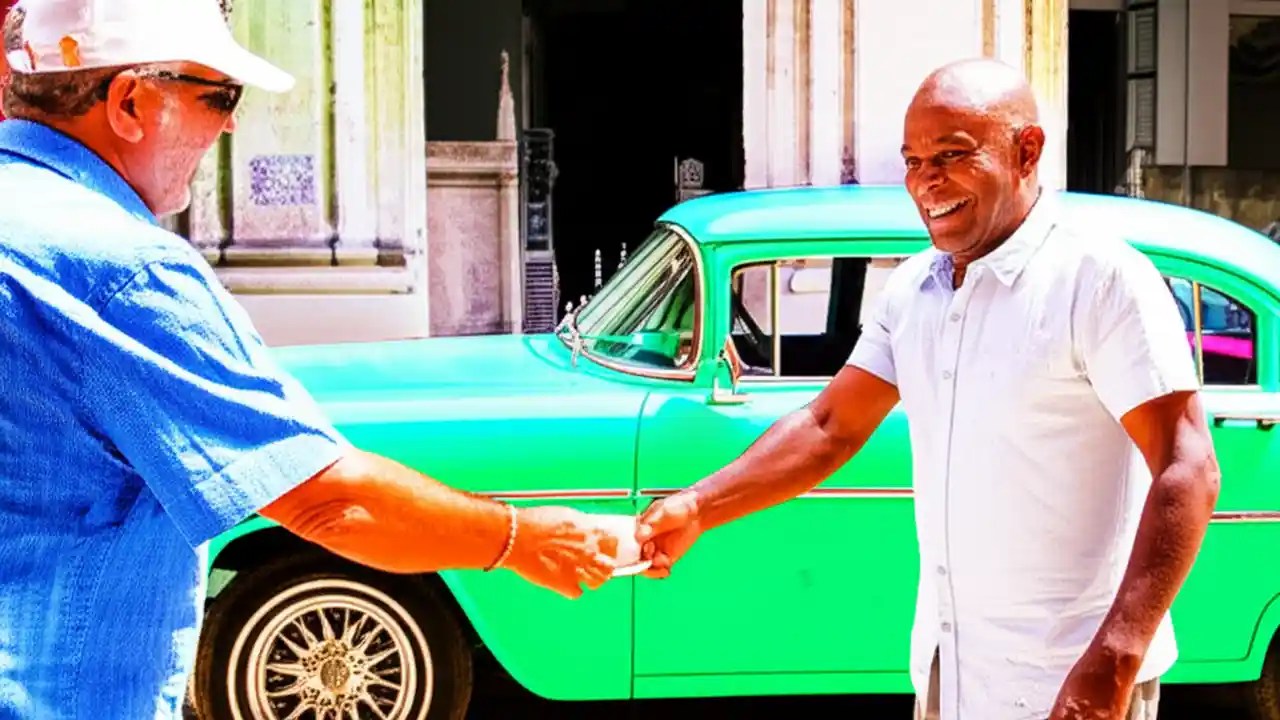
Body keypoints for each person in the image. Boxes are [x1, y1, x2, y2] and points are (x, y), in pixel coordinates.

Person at [0, 0, 619, 717]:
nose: (230, 124)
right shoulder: (124, 270)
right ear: (131, 101)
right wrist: (520, 538)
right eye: (217, 96)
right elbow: (328, 500)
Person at [635, 58, 1221, 720]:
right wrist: (698, 507)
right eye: (913, 160)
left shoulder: (1100, 279)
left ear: (1026, 151)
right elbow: (831, 426)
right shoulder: (914, 289)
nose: (925, 182)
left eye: (952, 155)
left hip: (1076, 680)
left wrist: (1116, 658)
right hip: (951, 671)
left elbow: (1188, 465)